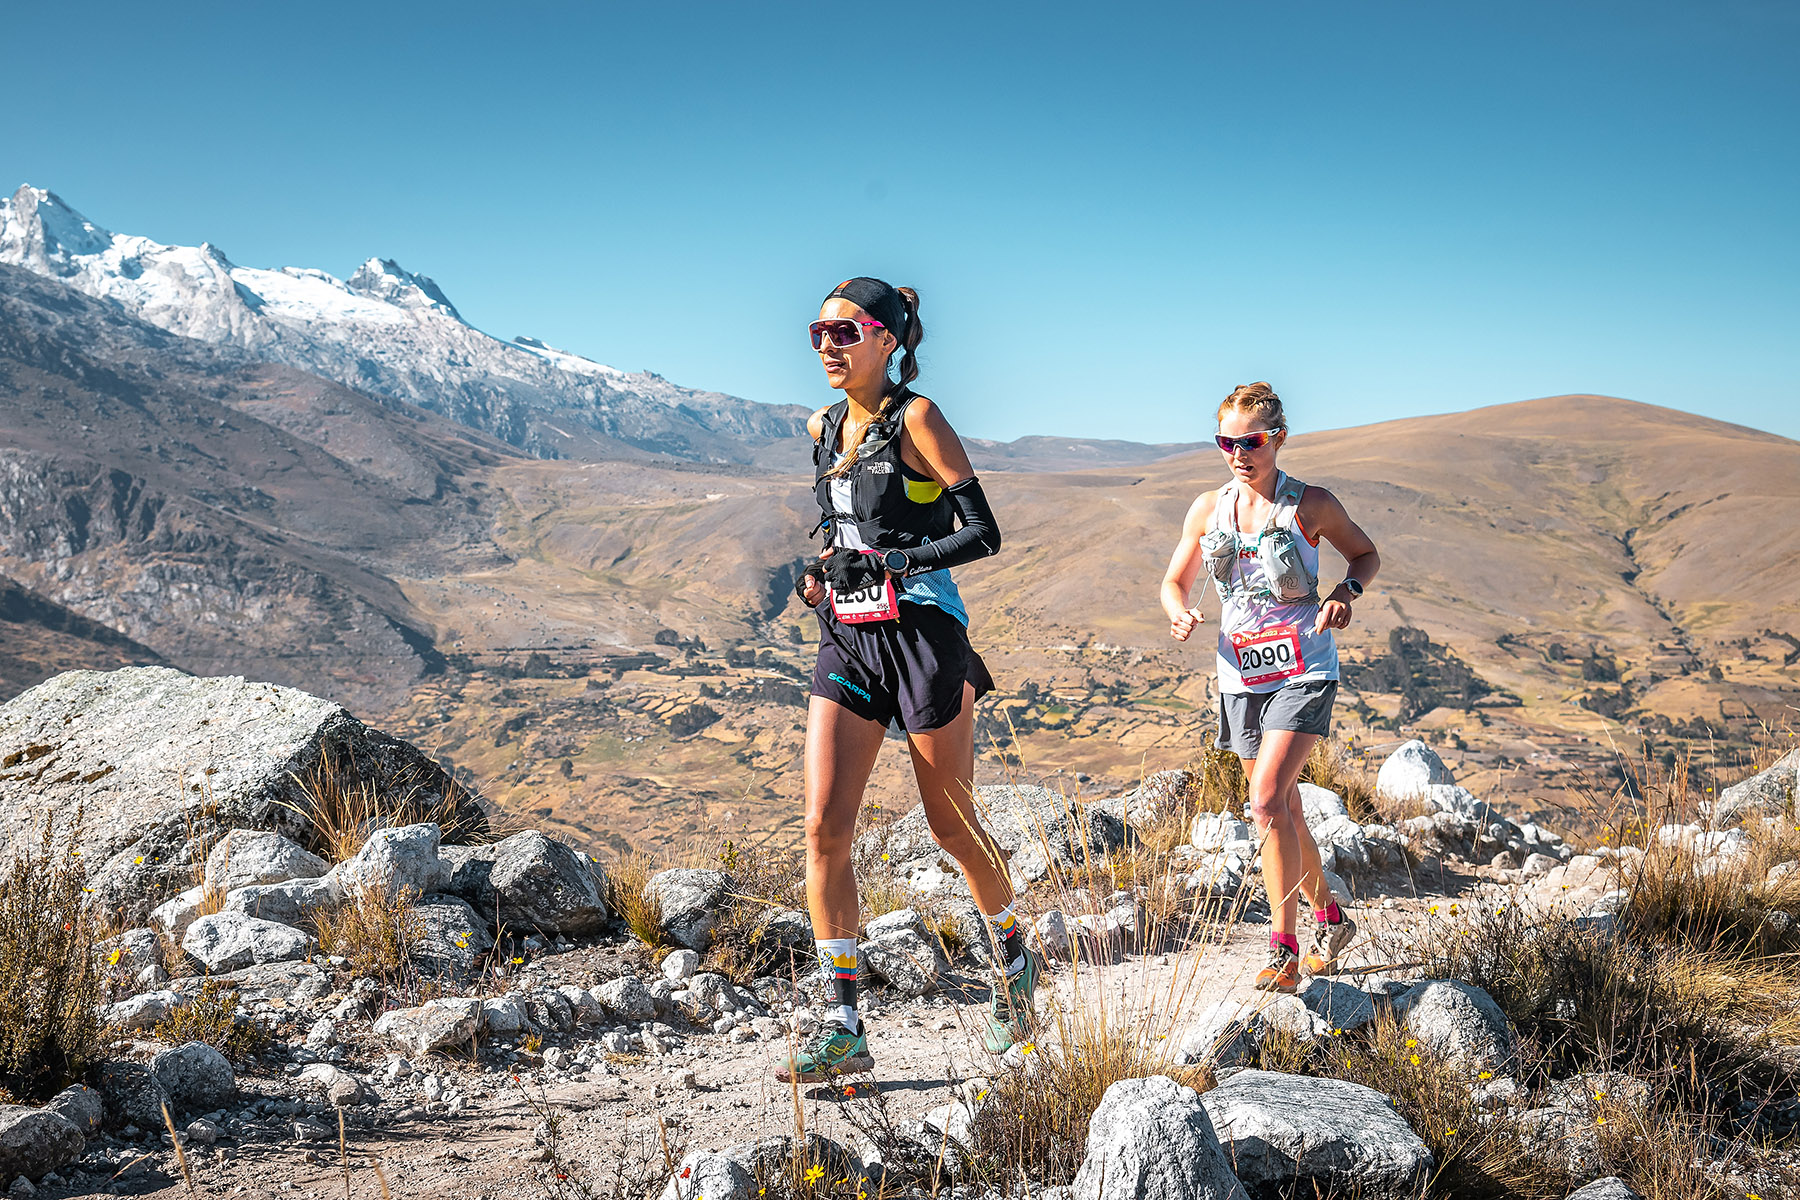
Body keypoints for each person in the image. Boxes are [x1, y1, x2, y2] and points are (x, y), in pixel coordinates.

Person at [778, 277, 1040, 1082]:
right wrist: (821, 573)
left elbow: (982, 533)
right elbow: (843, 527)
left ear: (887, 340)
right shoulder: (824, 426)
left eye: (845, 331)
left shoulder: (916, 418)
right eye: (818, 331)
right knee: (825, 826)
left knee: (950, 827)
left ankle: (1015, 966)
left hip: (925, 634)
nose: (828, 344)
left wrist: (895, 561)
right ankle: (844, 1022)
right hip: (849, 639)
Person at [1159, 382, 1381, 993]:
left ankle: (1283, 949)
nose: (1238, 452)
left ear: (1277, 438)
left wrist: (1344, 594)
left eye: (1250, 441)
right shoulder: (1206, 508)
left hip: (1304, 668)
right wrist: (1178, 611)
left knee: (1264, 801)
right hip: (1241, 674)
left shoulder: (1310, 504)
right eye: (1226, 441)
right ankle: (1332, 918)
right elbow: (1173, 581)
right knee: (1280, 808)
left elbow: (1365, 556)